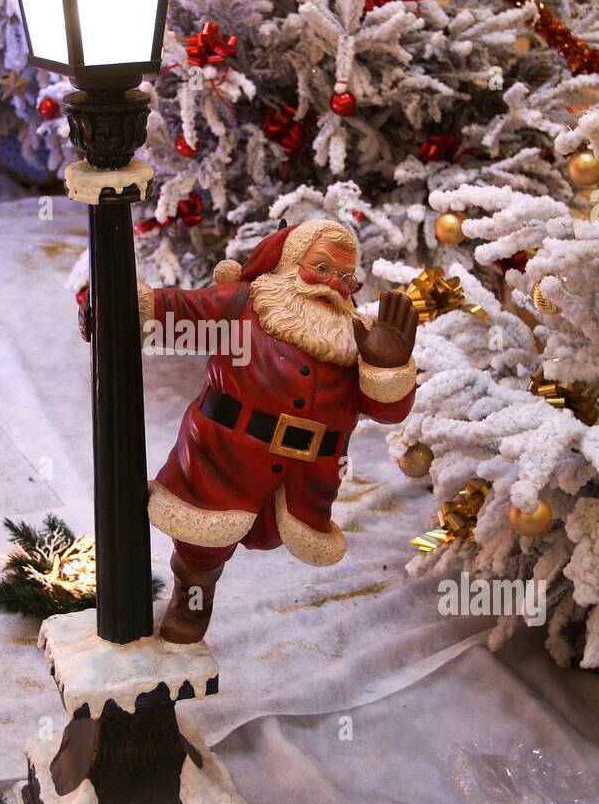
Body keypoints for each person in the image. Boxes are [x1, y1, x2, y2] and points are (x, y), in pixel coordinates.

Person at [137, 220, 418, 643]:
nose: (332, 284)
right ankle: (192, 599)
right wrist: (129, 304)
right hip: (225, 452)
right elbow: (179, 312)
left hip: (307, 472)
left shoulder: (355, 336)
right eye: (319, 267)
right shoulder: (246, 304)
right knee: (203, 541)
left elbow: (388, 412)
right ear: (289, 263)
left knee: (268, 529)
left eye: (344, 278)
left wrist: (387, 365)